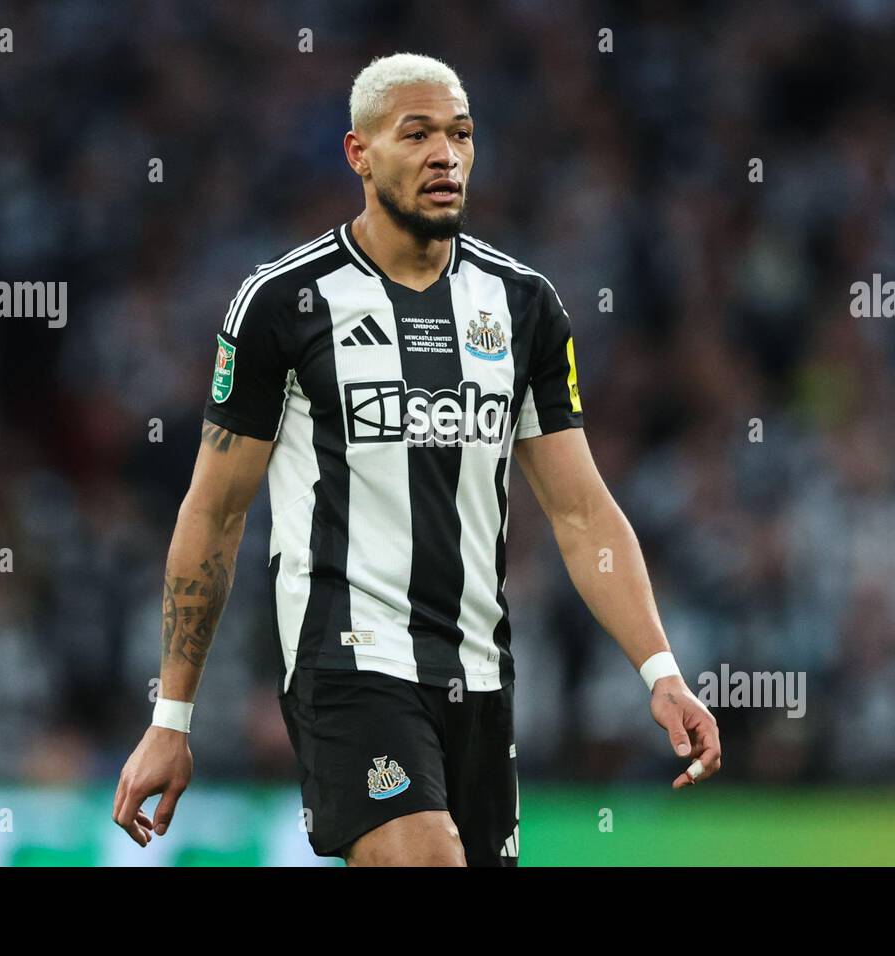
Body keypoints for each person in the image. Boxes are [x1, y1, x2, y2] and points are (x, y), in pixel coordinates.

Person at [113, 52, 720, 867]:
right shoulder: (284, 304)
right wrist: (172, 718)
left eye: (461, 135)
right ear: (359, 154)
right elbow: (214, 512)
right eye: (420, 134)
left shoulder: (524, 305)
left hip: (479, 669)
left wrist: (661, 670)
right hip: (347, 657)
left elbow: (581, 511)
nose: (447, 155)